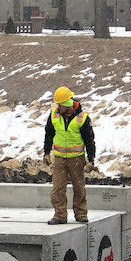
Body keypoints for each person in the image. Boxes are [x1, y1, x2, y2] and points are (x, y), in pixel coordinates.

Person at [43, 86, 96, 225]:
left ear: (66, 104)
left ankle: (81, 214)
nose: (58, 107)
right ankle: (60, 215)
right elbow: (49, 134)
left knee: (79, 187)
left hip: (76, 159)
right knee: (57, 188)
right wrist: (47, 152)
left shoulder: (82, 118)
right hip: (60, 158)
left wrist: (91, 159)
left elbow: (89, 140)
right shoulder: (54, 115)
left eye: (60, 104)